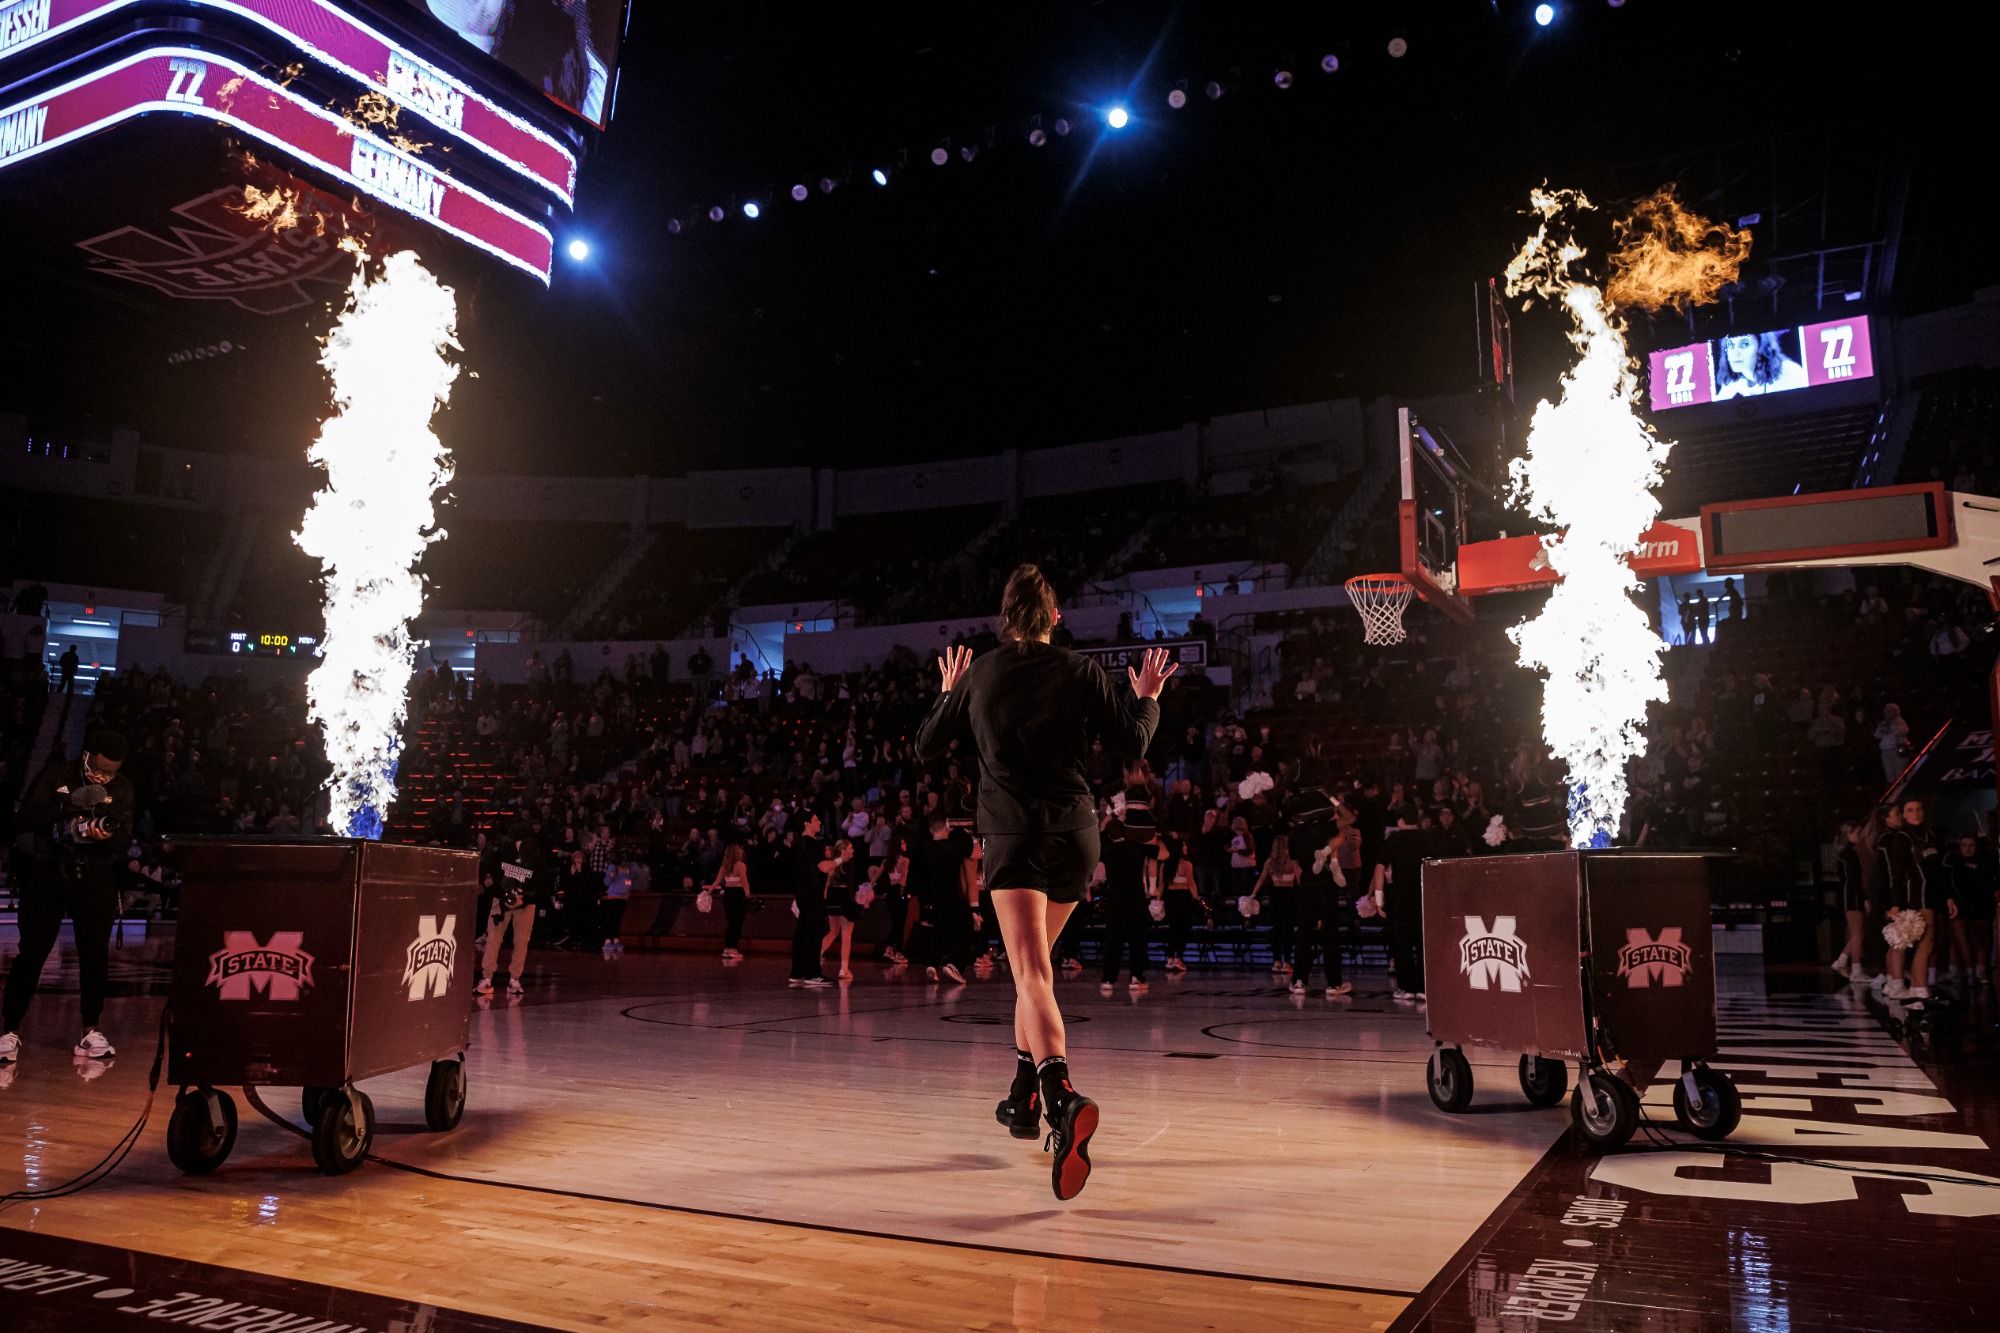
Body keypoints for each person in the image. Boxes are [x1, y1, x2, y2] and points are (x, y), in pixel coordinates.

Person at [914, 564, 1172, 1201]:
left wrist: (950, 694)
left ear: (1005, 621)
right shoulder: (1082, 670)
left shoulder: (980, 673)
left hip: (1015, 838)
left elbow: (925, 748)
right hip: (1076, 838)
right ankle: (1023, 1099)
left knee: (1030, 974)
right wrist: (1149, 695)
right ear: (1056, 617)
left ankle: (1059, 1096)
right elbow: (1135, 742)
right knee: (1039, 976)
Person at [1, 730, 136, 1063]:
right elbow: (24, 819)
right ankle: (8, 1031)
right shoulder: (56, 774)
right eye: (100, 769)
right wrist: (67, 808)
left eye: (111, 772)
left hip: (96, 874)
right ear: (87, 755)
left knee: (94, 956)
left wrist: (104, 834)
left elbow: (124, 840)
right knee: (32, 952)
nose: (104, 776)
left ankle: (91, 1031)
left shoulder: (122, 788)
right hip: (49, 870)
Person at [477, 835, 542, 995]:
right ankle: (486, 978)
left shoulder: (537, 855)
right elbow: (493, 875)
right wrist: (502, 896)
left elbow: (539, 883)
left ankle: (515, 979)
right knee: (493, 938)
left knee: (521, 941)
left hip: (526, 903)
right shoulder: (503, 851)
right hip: (500, 900)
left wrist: (523, 899)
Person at [1096, 819, 1155, 994]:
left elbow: (1096, 845)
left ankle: (1108, 979)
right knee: (1137, 939)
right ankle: (1136, 977)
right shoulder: (1136, 848)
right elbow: (1162, 853)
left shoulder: (1108, 851)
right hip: (1136, 900)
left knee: (1113, 940)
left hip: (1116, 900)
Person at [1294, 825, 1352, 996]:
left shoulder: (1296, 833)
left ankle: (1299, 981)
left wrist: (1302, 887)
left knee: (1303, 933)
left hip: (1307, 884)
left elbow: (1296, 867)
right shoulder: (1328, 827)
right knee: (1331, 933)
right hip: (1327, 886)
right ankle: (1334, 983)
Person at [1382, 811, 1428, 1001]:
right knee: (1421, 941)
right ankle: (1423, 988)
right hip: (1423, 894)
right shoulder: (1428, 838)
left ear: (1401, 821)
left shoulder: (1394, 839)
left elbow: (1380, 865)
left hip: (1401, 895)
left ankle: (1407, 987)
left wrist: (1378, 896)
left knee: (1403, 942)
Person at [787, 814, 834, 988]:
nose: (820, 822)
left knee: (803, 932)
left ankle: (797, 972)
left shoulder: (802, 843)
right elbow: (823, 867)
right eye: (816, 819)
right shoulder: (811, 842)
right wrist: (839, 859)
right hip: (812, 894)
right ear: (806, 823)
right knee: (814, 932)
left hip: (805, 892)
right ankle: (812, 973)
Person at [1252, 834, 1301, 977]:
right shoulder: (1292, 862)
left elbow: (1261, 880)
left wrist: (1253, 894)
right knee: (1288, 929)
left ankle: (1276, 961)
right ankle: (1286, 961)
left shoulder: (1269, 862)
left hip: (1275, 897)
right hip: (1289, 897)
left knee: (1277, 929)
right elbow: (1300, 880)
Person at [1712, 330, 1807, 399]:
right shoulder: (1732, 383)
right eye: (1730, 345)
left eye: (1744, 344)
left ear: (1762, 347)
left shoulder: (1789, 371)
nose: (1735, 353)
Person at [819, 836, 863, 981]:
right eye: (850, 848)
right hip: (845, 900)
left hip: (832, 900)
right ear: (843, 850)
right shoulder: (849, 865)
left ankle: (816, 955)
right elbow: (851, 886)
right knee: (846, 935)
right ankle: (844, 969)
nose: (853, 851)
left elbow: (826, 883)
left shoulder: (832, 865)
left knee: (832, 932)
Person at [1160, 834, 1204, 973]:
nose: (1185, 848)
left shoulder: (1166, 865)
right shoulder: (1186, 865)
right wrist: (1196, 899)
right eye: (1183, 846)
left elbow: (1162, 884)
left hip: (1170, 898)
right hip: (1182, 898)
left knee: (1173, 928)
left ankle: (1169, 958)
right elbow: (1191, 883)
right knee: (1182, 929)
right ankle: (1178, 958)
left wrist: (1158, 899)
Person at [1831, 820, 1867, 983]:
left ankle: (1841, 961)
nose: (1860, 836)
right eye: (1857, 833)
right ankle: (1856, 970)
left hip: (1849, 894)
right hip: (1852, 895)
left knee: (1858, 933)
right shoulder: (1848, 853)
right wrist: (1863, 897)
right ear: (1848, 834)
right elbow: (1854, 879)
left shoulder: (1844, 852)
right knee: (1858, 934)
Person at [707, 842, 752, 961]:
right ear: (737, 853)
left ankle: (727, 948)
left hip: (727, 896)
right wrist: (748, 896)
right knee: (737, 922)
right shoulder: (741, 865)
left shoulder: (724, 866)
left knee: (731, 922)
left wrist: (708, 892)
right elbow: (744, 882)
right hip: (738, 895)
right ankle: (733, 949)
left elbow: (716, 882)